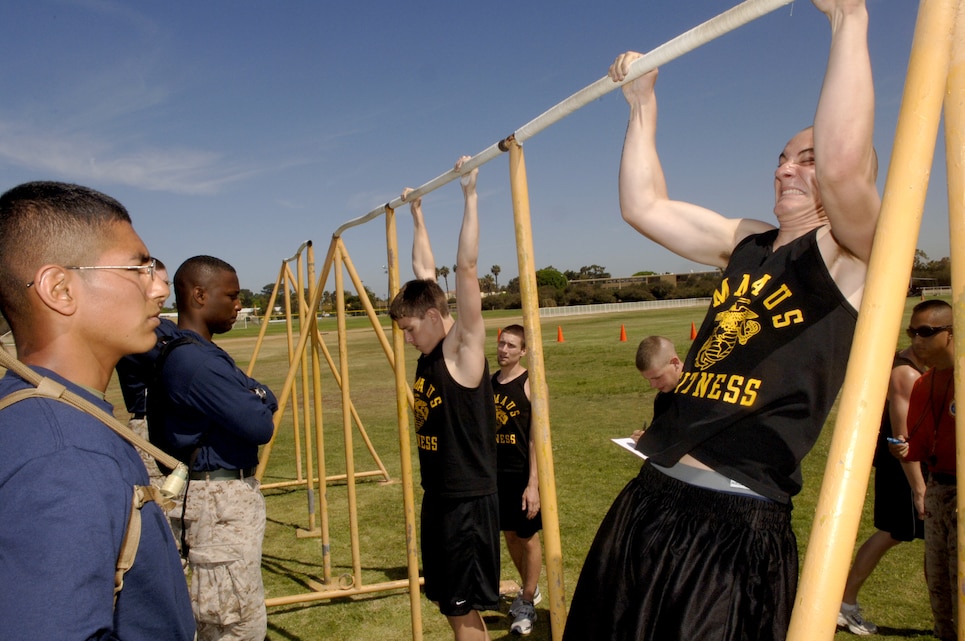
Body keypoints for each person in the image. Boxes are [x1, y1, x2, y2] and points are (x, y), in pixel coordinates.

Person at [564, 0, 880, 638]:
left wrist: (849, 19)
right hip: (652, 496)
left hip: (734, 523)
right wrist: (642, 105)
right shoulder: (751, 241)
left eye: (807, 158)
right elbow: (644, 206)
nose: (786, 167)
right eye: (783, 157)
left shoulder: (854, 252)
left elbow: (847, 167)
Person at [0, 181, 195, 640]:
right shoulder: (64, 455)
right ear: (60, 289)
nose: (158, 289)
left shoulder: (38, 412)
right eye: (138, 269)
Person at [389, 157, 498, 641]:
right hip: (440, 498)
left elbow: (467, 269)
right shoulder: (431, 345)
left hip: (467, 502)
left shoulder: (462, 352)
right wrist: (416, 215)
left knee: (460, 607)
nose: (407, 338)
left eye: (410, 329)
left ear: (434, 316)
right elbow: (424, 270)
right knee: (449, 607)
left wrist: (470, 195)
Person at [148, 254, 278, 641]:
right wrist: (255, 396)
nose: (239, 304)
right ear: (200, 296)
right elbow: (259, 422)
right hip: (217, 502)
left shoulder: (201, 354)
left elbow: (261, 395)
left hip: (221, 497)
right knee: (232, 625)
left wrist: (255, 395)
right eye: (232, 296)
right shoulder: (193, 361)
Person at [837, 336, 927, 635]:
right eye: (919, 332)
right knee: (894, 531)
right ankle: (844, 604)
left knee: (928, 538)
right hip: (905, 467)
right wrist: (919, 488)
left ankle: (945, 609)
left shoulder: (926, 368)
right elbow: (902, 439)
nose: (921, 338)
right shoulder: (906, 373)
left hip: (919, 464)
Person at [890, 299, 956, 641]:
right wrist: (902, 448)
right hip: (939, 492)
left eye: (927, 332)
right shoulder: (923, 385)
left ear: (951, 333)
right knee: (940, 586)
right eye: (913, 332)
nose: (917, 340)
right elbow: (917, 447)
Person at [493, 324, 542, 635]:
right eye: (501, 344)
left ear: (523, 351)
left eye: (511, 346)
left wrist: (533, 484)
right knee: (510, 535)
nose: (504, 350)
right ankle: (530, 588)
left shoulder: (530, 384)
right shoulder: (490, 384)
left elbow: (538, 438)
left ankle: (526, 601)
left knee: (528, 538)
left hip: (524, 475)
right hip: (498, 476)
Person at [115, 258, 176, 488]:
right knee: (159, 496)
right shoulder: (130, 327)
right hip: (149, 423)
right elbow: (171, 359)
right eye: (158, 282)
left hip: (172, 420)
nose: (164, 291)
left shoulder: (166, 325)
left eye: (166, 283)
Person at [630, 335, 683, 444]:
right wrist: (648, 436)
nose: (653, 385)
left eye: (657, 377)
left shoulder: (701, 392)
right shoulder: (663, 398)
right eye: (648, 379)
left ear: (674, 363)